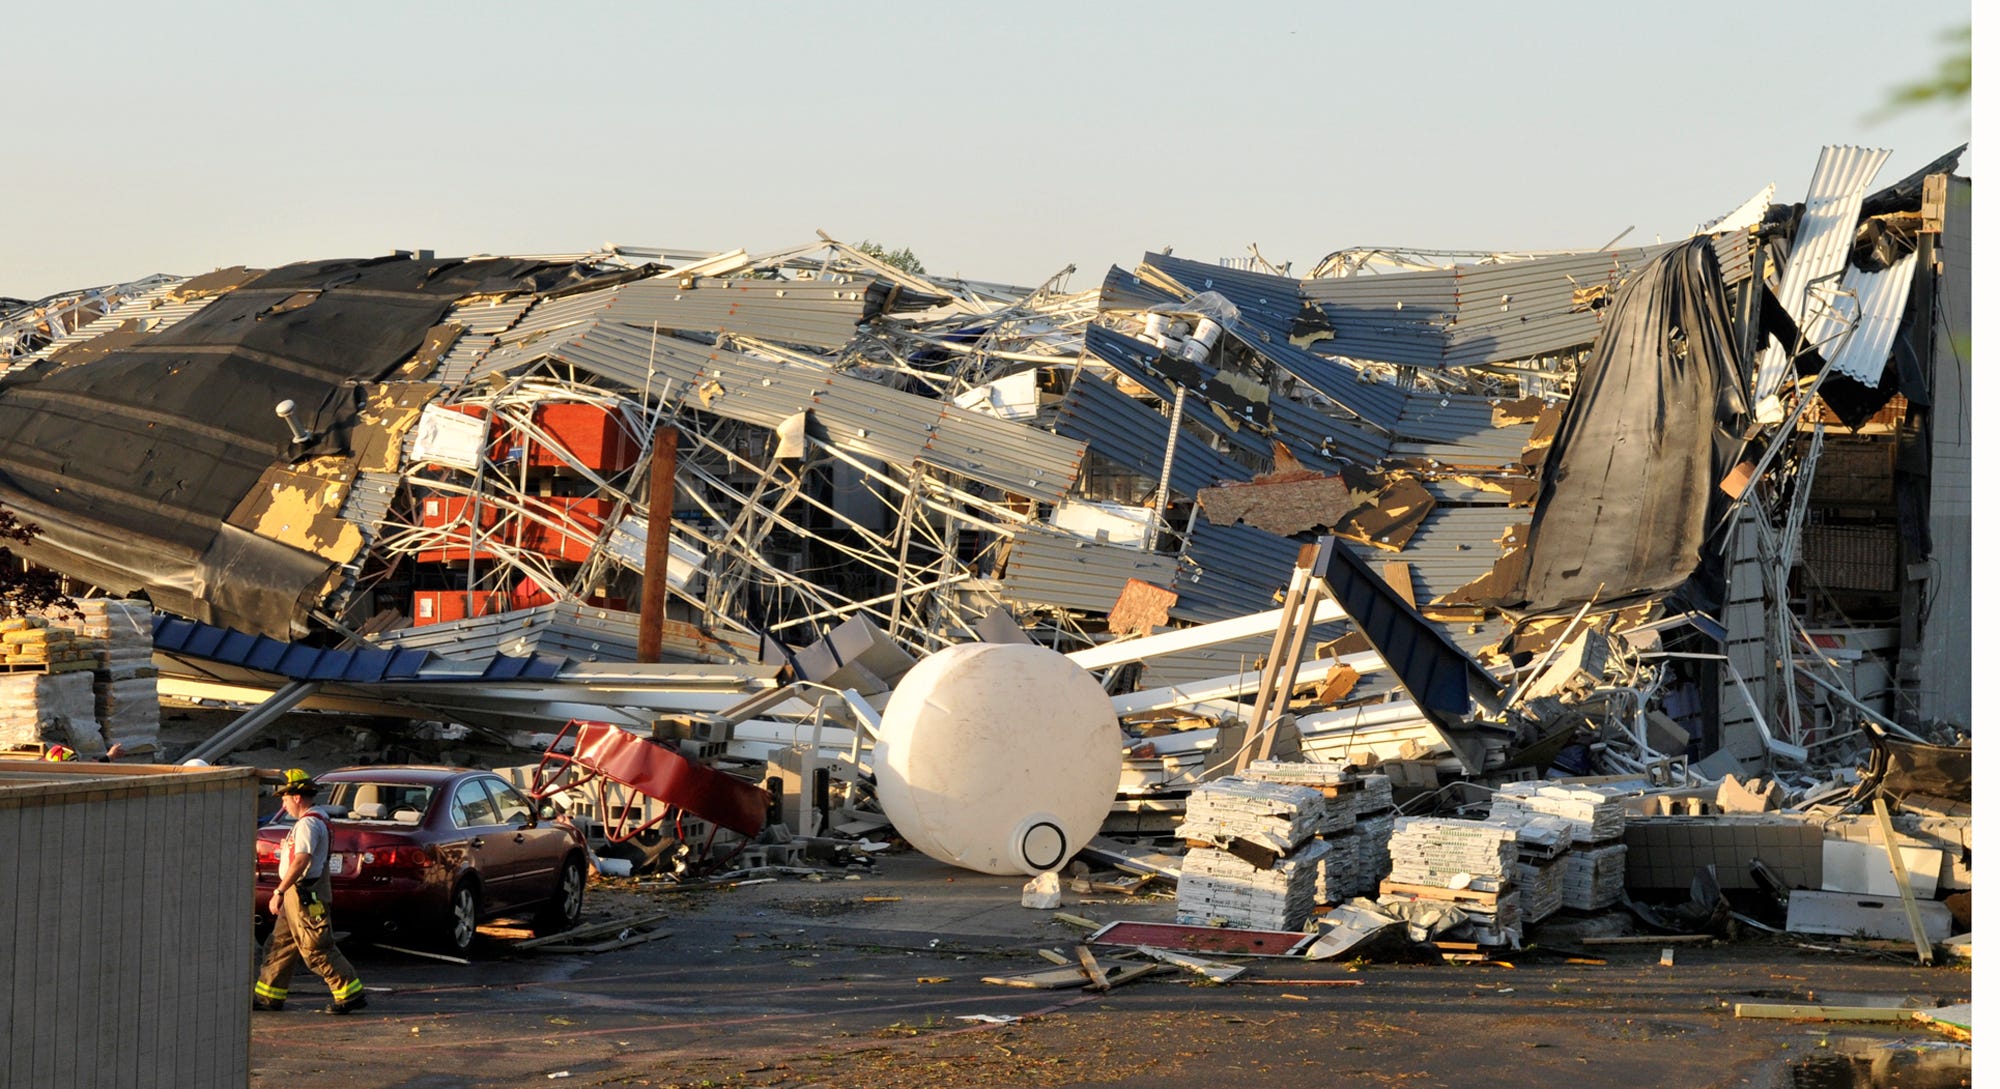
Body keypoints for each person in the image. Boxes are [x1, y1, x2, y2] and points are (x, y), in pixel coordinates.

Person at [253, 769, 368, 1014]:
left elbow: (301, 861)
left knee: (316, 946)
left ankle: (350, 993)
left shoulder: (309, 823)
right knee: (279, 945)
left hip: (304, 893)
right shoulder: (313, 821)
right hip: (299, 892)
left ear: (297, 797)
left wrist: (279, 891)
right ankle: (268, 996)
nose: (283, 804)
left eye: (284, 798)